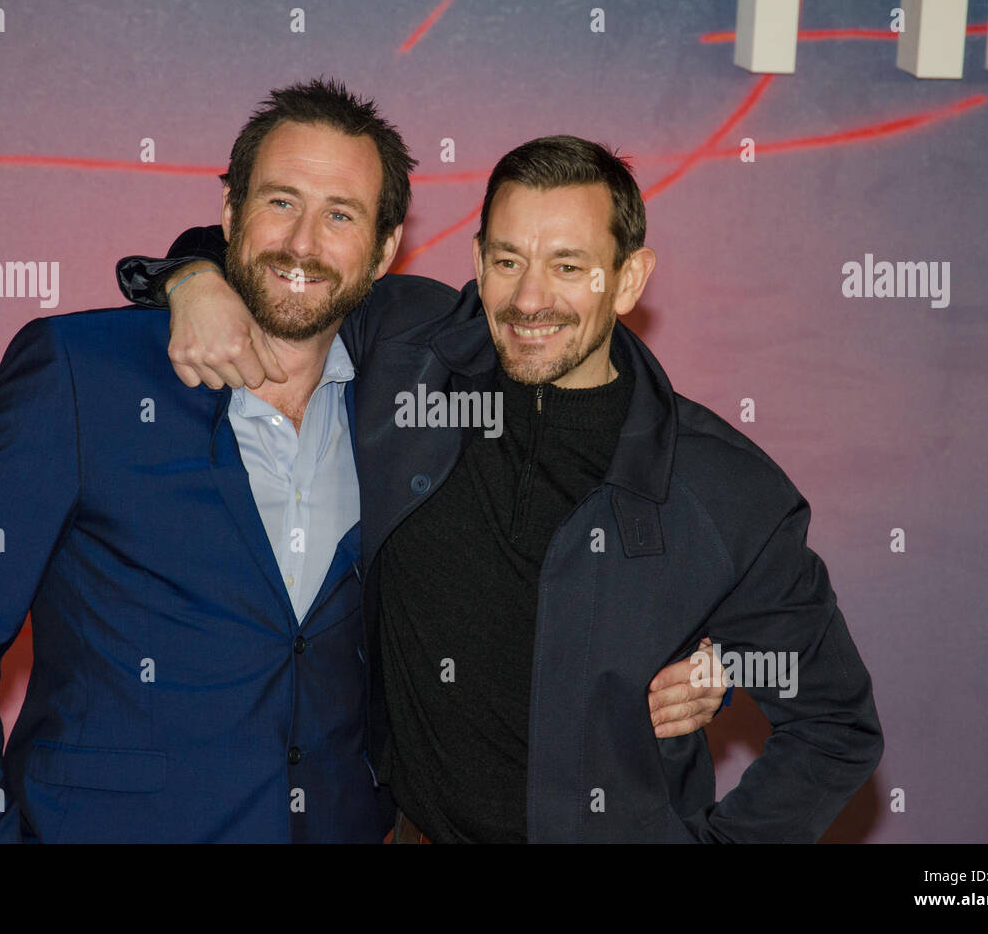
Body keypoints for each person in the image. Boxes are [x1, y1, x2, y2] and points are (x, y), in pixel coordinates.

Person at [0, 79, 718, 844]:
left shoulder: (414, 395)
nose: (303, 241)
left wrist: (671, 630)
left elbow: (577, 393)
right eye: (280, 201)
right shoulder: (81, 373)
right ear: (230, 209)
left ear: (388, 246)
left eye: (342, 215)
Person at [121, 132, 884, 843]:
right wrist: (193, 278)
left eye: (568, 265)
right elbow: (288, 270)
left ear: (629, 279)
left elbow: (835, 725)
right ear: (478, 263)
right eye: (509, 258)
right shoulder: (404, 352)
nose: (530, 299)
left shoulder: (724, 490)